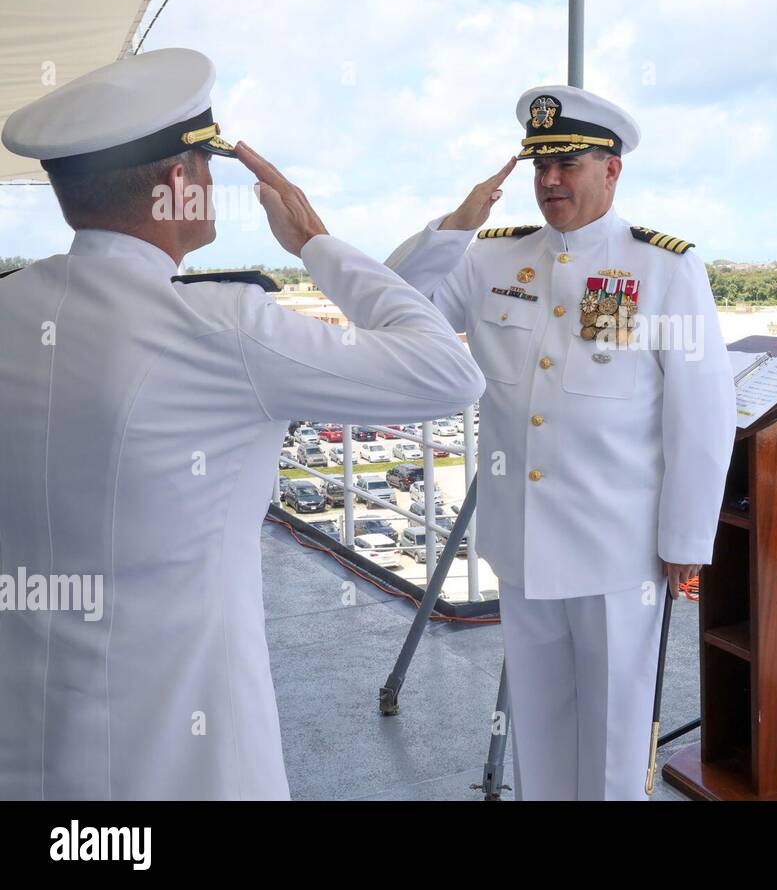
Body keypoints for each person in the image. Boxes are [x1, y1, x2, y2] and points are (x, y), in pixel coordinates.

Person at [0, 48, 485, 799]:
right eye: (207, 168)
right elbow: (448, 372)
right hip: (184, 759)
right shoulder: (221, 327)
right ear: (178, 183)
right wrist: (315, 242)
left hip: (34, 747)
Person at [386, 85, 736, 799]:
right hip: (522, 547)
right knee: (538, 741)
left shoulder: (663, 268)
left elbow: (701, 410)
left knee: (611, 748)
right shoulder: (488, 260)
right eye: (540, 165)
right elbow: (394, 305)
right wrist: (452, 226)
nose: (550, 181)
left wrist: (685, 540)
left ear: (611, 170)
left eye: (568, 164)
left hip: (619, 552)